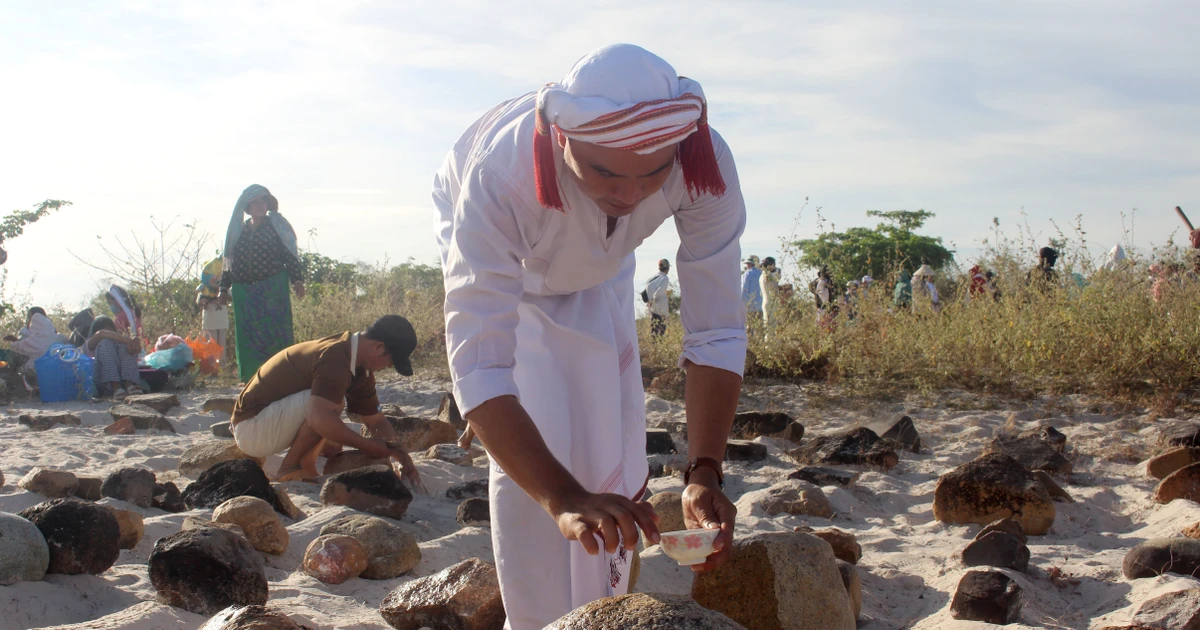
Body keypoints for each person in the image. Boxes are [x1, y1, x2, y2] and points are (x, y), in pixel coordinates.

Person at [432, 44, 745, 629]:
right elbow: (480, 365)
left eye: (652, 173)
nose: (629, 195)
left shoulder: (702, 160)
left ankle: (601, 609)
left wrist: (704, 470)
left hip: (603, 265)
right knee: (541, 429)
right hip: (516, 266)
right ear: (561, 140)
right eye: (605, 171)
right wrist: (560, 498)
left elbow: (718, 329)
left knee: (607, 427)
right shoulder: (498, 179)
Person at [230, 315, 420, 483]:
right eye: (391, 361)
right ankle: (291, 467)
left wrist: (401, 455)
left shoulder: (357, 362)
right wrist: (368, 446)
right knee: (328, 408)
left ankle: (307, 465)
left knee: (328, 413)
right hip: (251, 429)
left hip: (269, 420)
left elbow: (376, 420)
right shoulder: (335, 356)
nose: (388, 367)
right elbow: (319, 418)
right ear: (378, 347)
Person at [217, 185, 306, 382]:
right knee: (248, 336)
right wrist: (223, 289)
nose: (260, 205)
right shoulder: (238, 231)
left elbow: (290, 255)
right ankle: (252, 379)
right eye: (255, 202)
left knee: (275, 334)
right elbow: (229, 262)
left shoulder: (276, 226)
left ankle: (280, 376)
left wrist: (297, 280)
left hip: (272, 289)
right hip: (244, 292)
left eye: (263, 201)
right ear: (247, 207)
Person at [85, 316, 143, 398]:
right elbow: (101, 334)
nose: (111, 335)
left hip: (121, 377)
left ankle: (129, 385)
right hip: (102, 380)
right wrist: (130, 341)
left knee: (125, 346)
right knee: (106, 342)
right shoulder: (90, 343)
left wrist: (131, 343)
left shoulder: (119, 342)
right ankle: (116, 388)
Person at [196, 257, 230, 361]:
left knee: (222, 343)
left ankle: (222, 366)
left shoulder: (225, 286)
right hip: (209, 317)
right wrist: (203, 301)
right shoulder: (203, 287)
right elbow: (198, 300)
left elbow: (230, 297)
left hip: (221, 316)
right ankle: (211, 366)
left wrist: (221, 293)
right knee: (210, 342)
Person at [644, 259, 673, 338]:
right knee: (661, 332)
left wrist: (650, 302)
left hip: (651, 309)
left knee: (654, 331)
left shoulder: (651, 279)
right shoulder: (664, 278)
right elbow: (659, 292)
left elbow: (645, 292)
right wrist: (653, 300)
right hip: (661, 309)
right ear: (667, 268)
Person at [759, 257, 781, 337]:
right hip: (771, 303)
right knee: (771, 328)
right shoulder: (768, 276)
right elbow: (774, 290)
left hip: (765, 302)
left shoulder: (762, 276)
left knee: (768, 326)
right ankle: (769, 343)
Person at [741, 256, 762, 321]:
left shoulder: (747, 274)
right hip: (760, 305)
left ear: (749, 264)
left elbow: (744, 289)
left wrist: (743, 303)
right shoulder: (761, 273)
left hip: (750, 305)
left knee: (749, 324)